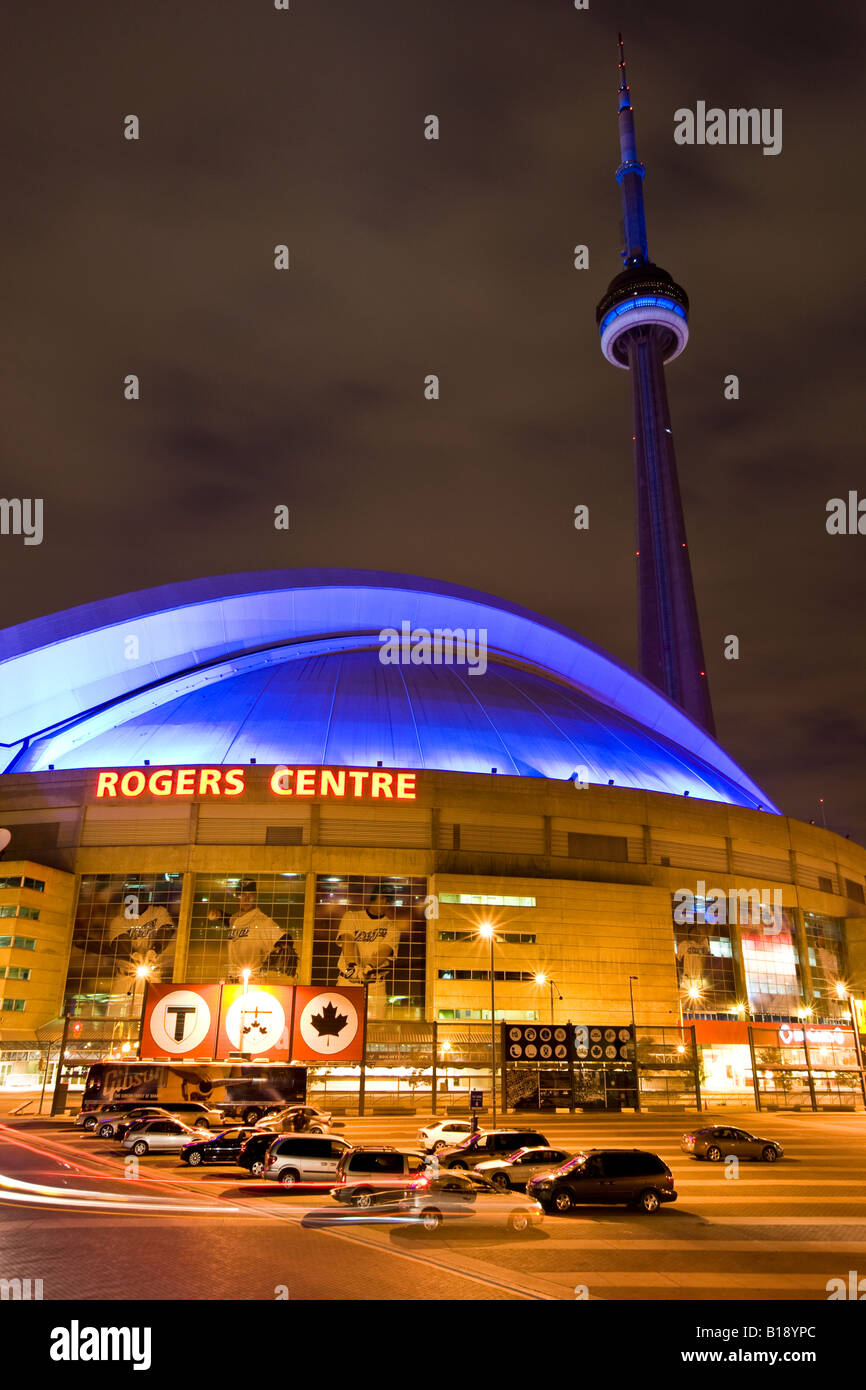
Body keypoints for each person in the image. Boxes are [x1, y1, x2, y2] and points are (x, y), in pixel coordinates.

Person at [336, 885, 404, 1018]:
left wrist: (370, 967)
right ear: (374, 897)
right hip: (348, 981)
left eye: (389, 901)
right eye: (383, 898)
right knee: (343, 1025)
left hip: (375, 984)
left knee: (376, 1028)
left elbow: (384, 951)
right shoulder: (351, 916)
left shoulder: (393, 928)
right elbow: (347, 941)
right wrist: (352, 965)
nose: (385, 903)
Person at [226, 880, 297, 981]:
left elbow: (285, 939)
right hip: (232, 980)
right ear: (236, 898)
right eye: (242, 895)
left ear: (255, 897)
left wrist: (282, 948)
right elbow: (232, 921)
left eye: (251, 895)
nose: (246, 899)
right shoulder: (234, 919)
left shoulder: (263, 920)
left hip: (254, 981)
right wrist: (219, 914)